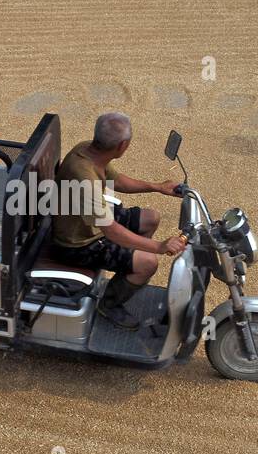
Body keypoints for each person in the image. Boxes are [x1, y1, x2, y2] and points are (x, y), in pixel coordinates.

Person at [49, 112, 186, 329]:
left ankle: (129, 270)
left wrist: (157, 187)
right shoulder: (84, 178)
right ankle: (109, 304)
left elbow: (117, 181)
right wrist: (158, 247)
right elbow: (111, 231)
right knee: (148, 263)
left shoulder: (87, 150)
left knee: (151, 218)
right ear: (123, 145)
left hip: (88, 223)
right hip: (77, 243)